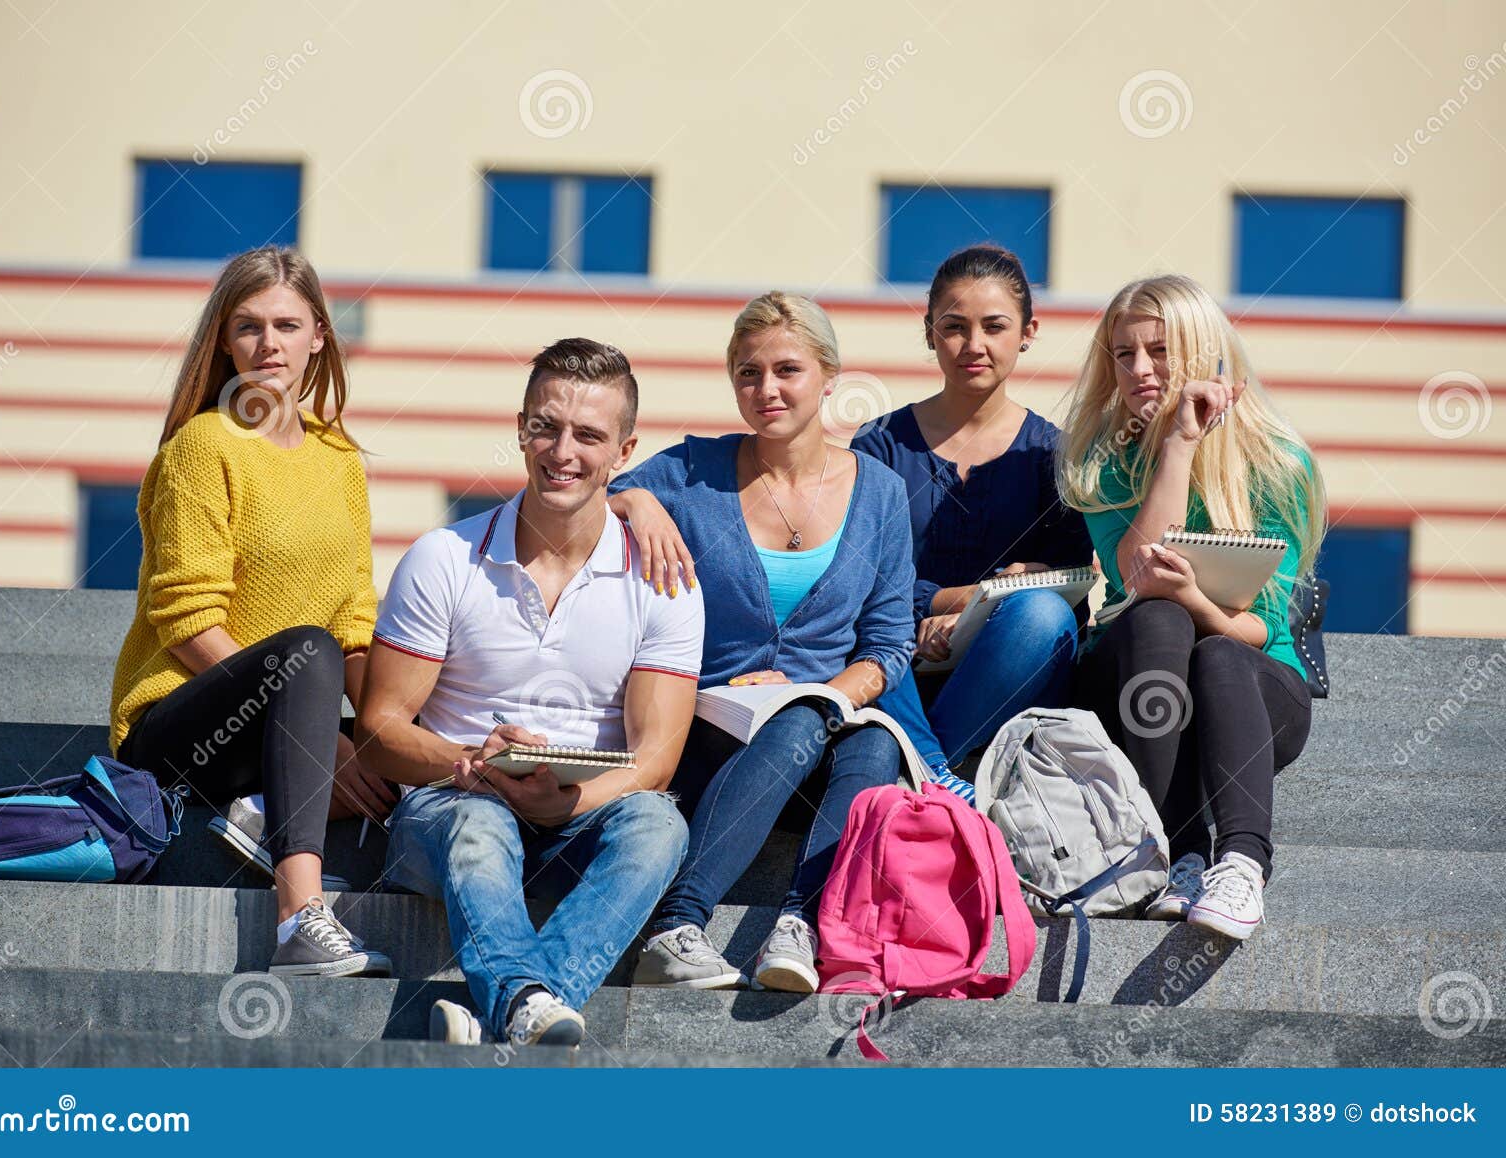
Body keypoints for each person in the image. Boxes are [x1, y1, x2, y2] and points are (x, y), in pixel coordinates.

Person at [356, 339, 704, 1048]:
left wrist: (568, 798)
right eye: (545, 427)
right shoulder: (443, 558)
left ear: (623, 449)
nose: (562, 451)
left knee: (660, 825)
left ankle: (507, 1009)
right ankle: (523, 1002)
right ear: (520, 429)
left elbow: (656, 761)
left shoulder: (663, 579)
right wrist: (472, 765)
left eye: (588, 435)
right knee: (480, 823)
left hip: (583, 812)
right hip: (451, 806)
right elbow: (378, 730)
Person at [609, 292, 916, 993]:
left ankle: (796, 925)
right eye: (748, 373)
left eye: (787, 370)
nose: (766, 389)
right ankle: (675, 925)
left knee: (868, 740)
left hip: (820, 729)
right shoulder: (690, 471)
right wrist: (635, 500)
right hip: (708, 729)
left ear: (829, 377)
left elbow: (891, 642)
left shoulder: (881, 493)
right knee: (809, 723)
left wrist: (829, 696)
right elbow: (570, 500)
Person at [109, 245, 392, 977]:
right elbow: (186, 616)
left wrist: (379, 736)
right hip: (178, 730)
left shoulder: (339, 459)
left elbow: (357, 617)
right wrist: (316, 743)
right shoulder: (205, 445)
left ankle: (268, 806)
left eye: (288, 326)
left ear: (319, 337)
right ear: (225, 342)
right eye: (249, 327)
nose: (269, 344)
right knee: (305, 654)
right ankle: (300, 917)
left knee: (382, 718)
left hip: (289, 716)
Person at [1056, 274, 1325, 941]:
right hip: (1132, 685)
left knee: (1219, 650)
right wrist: (1178, 443)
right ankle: (1164, 851)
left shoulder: (1279, 464)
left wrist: (1196, 597)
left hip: (1252, 690)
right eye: (1124, 353)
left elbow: (1264, 624)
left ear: (1204, 352)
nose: (1140, 369)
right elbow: (1134, 576)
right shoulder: (1104, 460)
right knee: (1155, 616)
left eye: (1160, 349)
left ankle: (1239, 865)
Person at [853, 244, 1094, 776]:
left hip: (1010, 667)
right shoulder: (879, 446)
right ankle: (940, 773)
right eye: (955, 326)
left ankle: (921, 764)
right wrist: (947, 601)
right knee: (860, 631)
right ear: (929, 332)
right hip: (899, 662)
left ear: (1028, 333)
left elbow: (1072, 601)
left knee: (1042, 614)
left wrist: (986, 611)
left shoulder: (1054, 456)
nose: (973, 344)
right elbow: (859, 578)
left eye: (995, 326)